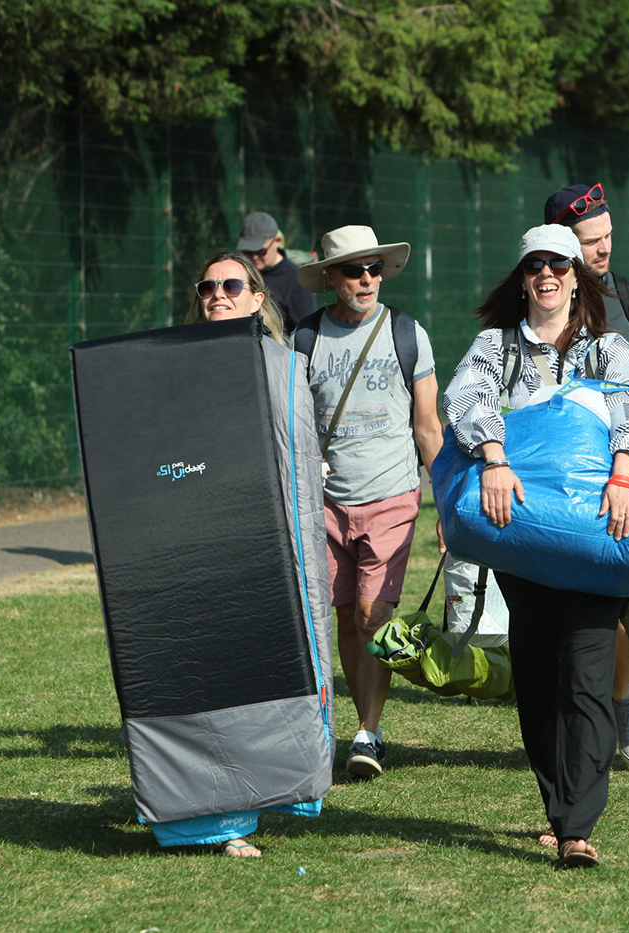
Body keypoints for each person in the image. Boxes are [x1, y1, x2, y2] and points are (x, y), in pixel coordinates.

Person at [443, 224, 629, 868]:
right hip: (527, 537)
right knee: (537, 678)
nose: (548, 276)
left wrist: (623, 473)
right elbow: (464, 398)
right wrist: (496, 459)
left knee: (587, 674)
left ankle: (576, 826)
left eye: (559, 266)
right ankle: (559, 805)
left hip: (597, 533)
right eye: (536, 265)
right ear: (523, 276)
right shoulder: (494, 347)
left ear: (576, 276)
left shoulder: (610, 348)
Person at [158, 249, 318, 857]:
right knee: (204, 681)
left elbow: (297, 463)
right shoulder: (174, 368)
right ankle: (207, 819)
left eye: (232, 284)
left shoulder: (283, 367)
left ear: (257, 295)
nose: (218, 294)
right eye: (207, 287)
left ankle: (257, 797)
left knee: (259, 678)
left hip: (269, 548)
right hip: (199, 546)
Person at [543, 182, 629, 772]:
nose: (603, 250)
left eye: (607, 237)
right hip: (554, 476)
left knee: (620, 598)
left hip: (622, 473)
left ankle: (621, 699)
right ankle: (571, 718)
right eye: (589, 241)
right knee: (557, 604)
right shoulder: (537, 299)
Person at [294, 225, 444, 779]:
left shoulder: (407, 333)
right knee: (343, 619)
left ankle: (368, 731)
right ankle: (361, 724)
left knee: (371, 615)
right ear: (330, 278)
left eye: (374, 269)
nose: (366, 279)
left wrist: (446, 502)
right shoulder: (304, 340)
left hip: (392, 495)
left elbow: (428, 427)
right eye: (354, 270)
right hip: (325, 504)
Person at [238, 211, 318, 328]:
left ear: (277, 241)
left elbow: (307, 331)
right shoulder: (241, 273)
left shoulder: (296, 280)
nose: (254, 257)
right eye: (248, 252)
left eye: (261, 251)